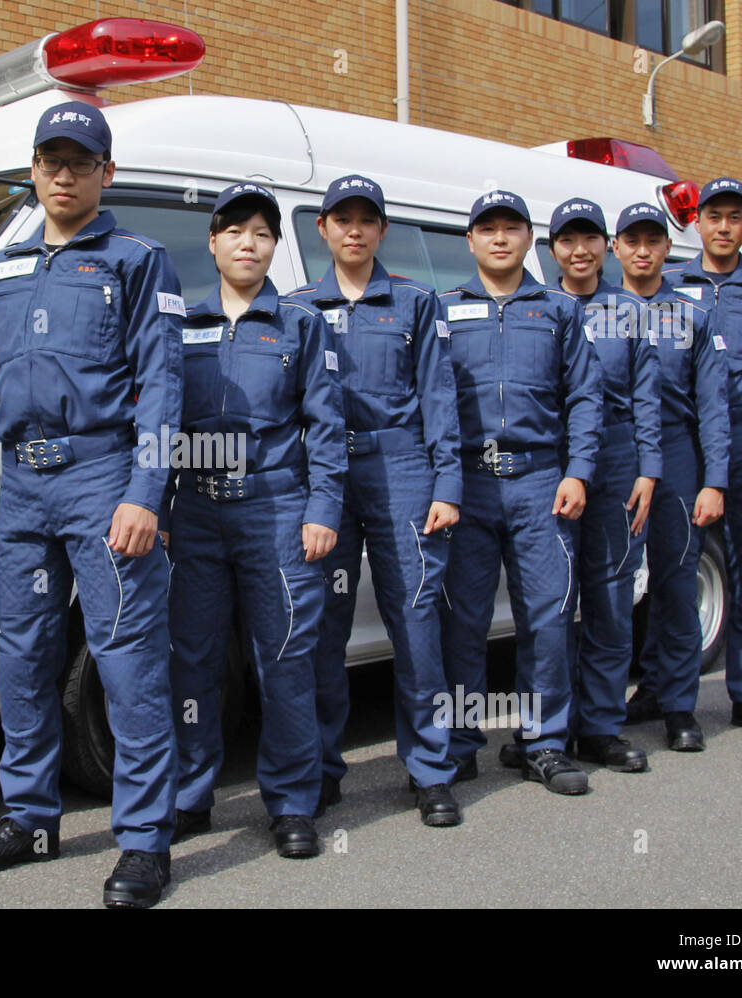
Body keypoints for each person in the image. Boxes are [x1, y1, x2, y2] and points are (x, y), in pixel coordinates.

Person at [0, 101, 186, 909]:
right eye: (50, 158)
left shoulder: (137, 259)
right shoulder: (4, 268)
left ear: (105, 174)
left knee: (128, 662)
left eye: (79, 161)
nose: (62, 172)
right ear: (35, 169)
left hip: (102, 479)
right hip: (25, 491)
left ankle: (146, 841)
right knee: (23, 658)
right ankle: (30, 819)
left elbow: (161, 384)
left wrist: (145, 491)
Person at [165, 182, 345, 858]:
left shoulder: (302, 325)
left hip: (275, 507)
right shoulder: (180, 325)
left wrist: (322, 508)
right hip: (199, 512)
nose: (249, 242)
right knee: (193, 660)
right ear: (212, 243)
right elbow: (161, 423)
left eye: (263, 233)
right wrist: (159, 509)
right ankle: (188, 794)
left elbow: (325, 426)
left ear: (276, 247)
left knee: (286, 659)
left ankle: (294, 802)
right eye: (235, 230)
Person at [289, 174, 464, 826]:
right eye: (342, 218)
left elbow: (439, 399)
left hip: (402, 474)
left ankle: (430, 770)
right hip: (327, 481)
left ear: (382, 229)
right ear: (323, 228)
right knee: (323, 630)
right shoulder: (299, 308)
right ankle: (324, 769)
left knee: (416, 624)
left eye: (367, 219)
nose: (354, 229)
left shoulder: (417, 303)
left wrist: (447, 485)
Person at [439, 190, 603, 794]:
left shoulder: (558, 309)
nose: (500, 238)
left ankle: (544, 742)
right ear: (471, 241)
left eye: (512, 228)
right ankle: (458, 744)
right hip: (469, 483)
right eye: (488, 229)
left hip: (541, 482)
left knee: (547, 617)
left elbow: (586, 395)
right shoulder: (444, 309)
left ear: (529, 239)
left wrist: (578, 471)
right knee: (461, 620)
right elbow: (431, 401)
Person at [643, 178, 742, 736]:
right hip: (687, 437)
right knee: (676, 567)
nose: (723, 227)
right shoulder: (672, 285)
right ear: (699, 223)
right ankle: (662, 688)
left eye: (735, 217)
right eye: (714, 217)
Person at [537, 197, 661, 774]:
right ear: (553, 247)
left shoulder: (629, 311)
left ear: (604, 246)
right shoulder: (538, 307)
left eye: (590, 239)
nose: (579, 250)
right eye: (568, 240)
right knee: (554, 606)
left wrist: (648, 469)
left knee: (610, 602)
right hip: (551, 465)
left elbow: (647, 397)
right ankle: (549, 732)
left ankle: (603, 728)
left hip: (615, 464)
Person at [615, 202, 729, 751]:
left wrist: (714, 482)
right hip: (615, 456)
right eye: (631, 240)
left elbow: (712, 407)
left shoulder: (693, 317)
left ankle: (679, 706)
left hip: (679, 457)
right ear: (616, 248)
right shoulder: (590, 313)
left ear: (666, 249)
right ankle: (608, 704)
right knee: (610, 587)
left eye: (652, 241)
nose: (642, 250)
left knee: (677, 585)